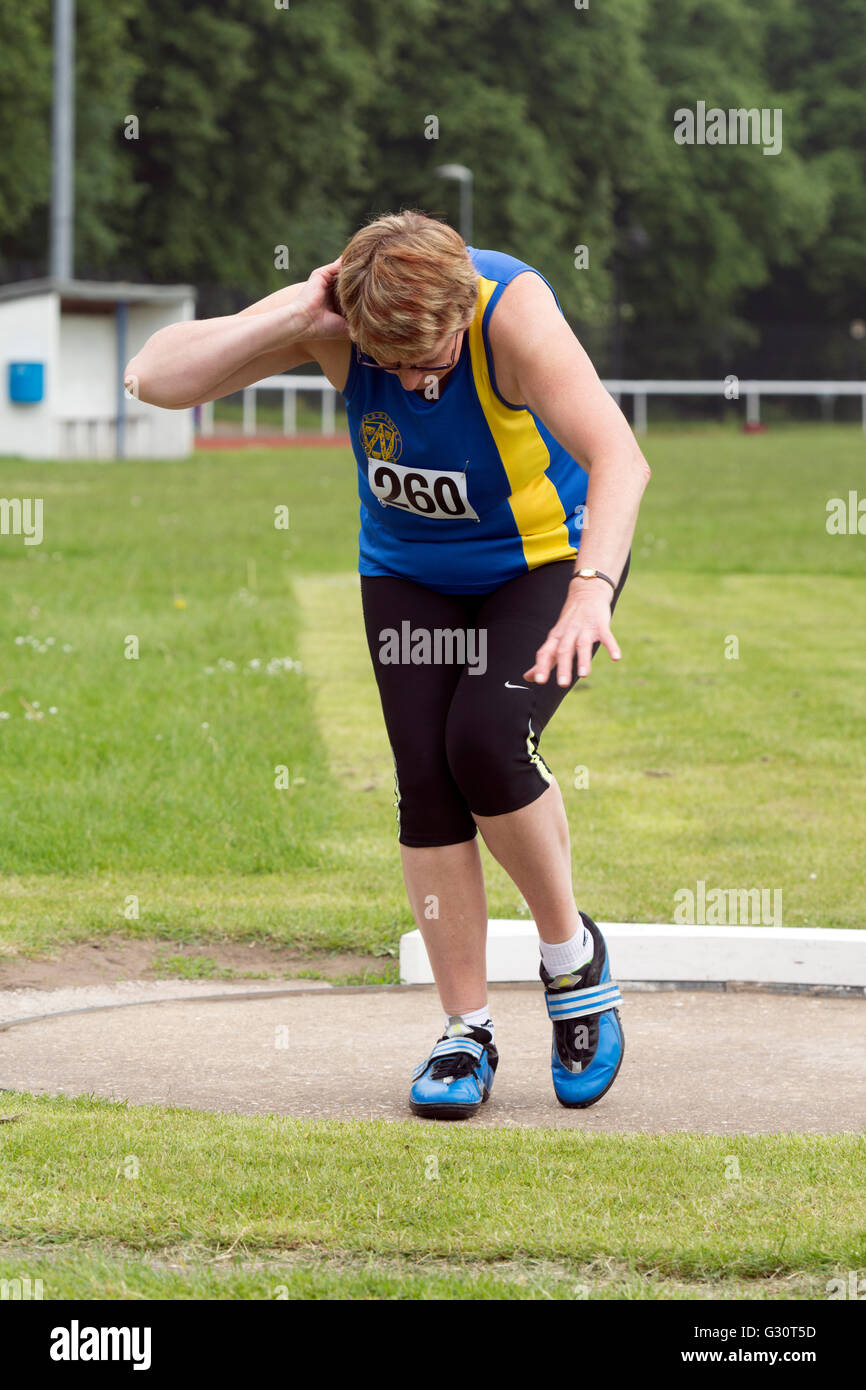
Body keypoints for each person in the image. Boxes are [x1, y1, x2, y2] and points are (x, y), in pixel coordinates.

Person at [125, 209, 651, 1121]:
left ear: (461, 309)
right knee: (427, 785)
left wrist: (591, 589)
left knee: (486, 742)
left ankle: (572, 960)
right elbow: (153, 380)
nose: (410, 380)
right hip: (410, 573)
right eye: (391, 363)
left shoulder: (510, 312)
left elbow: (620, 457)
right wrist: (295, 313)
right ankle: (466, 1031)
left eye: (429, 362)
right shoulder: (343, 323)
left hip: (547, 562)